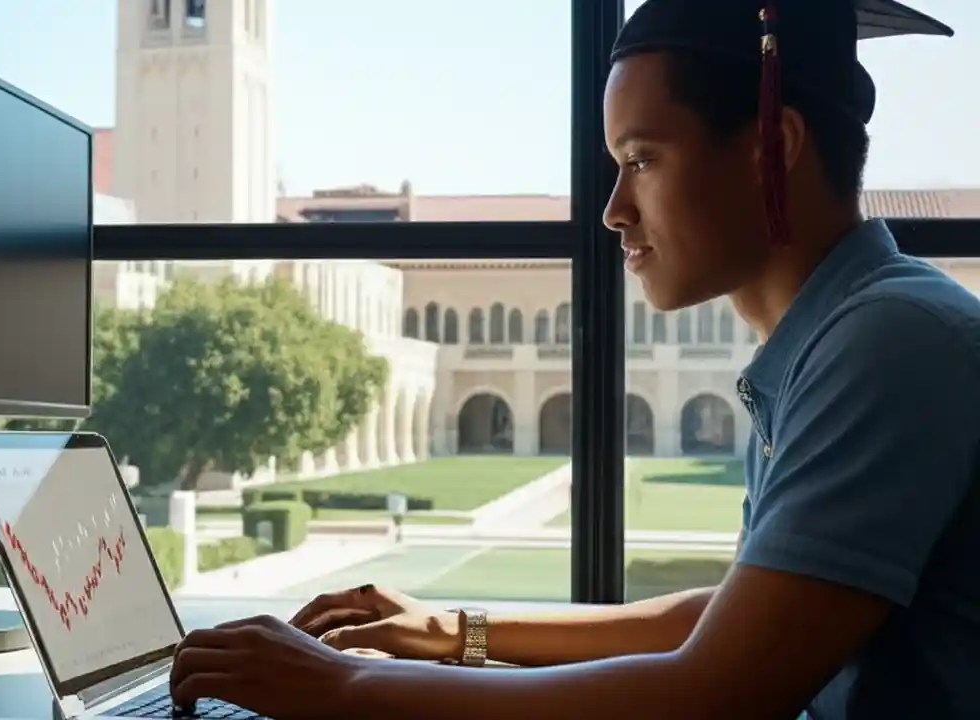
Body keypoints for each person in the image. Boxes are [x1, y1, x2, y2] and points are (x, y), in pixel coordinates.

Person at [169, 0, 980, 717]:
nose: (613, 211)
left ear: (775, 144)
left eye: (640, 160)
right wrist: (454, 631)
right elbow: (736, 617)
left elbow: (716, 691)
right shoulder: (835, 338)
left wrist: (341, 689)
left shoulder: (890, 343)